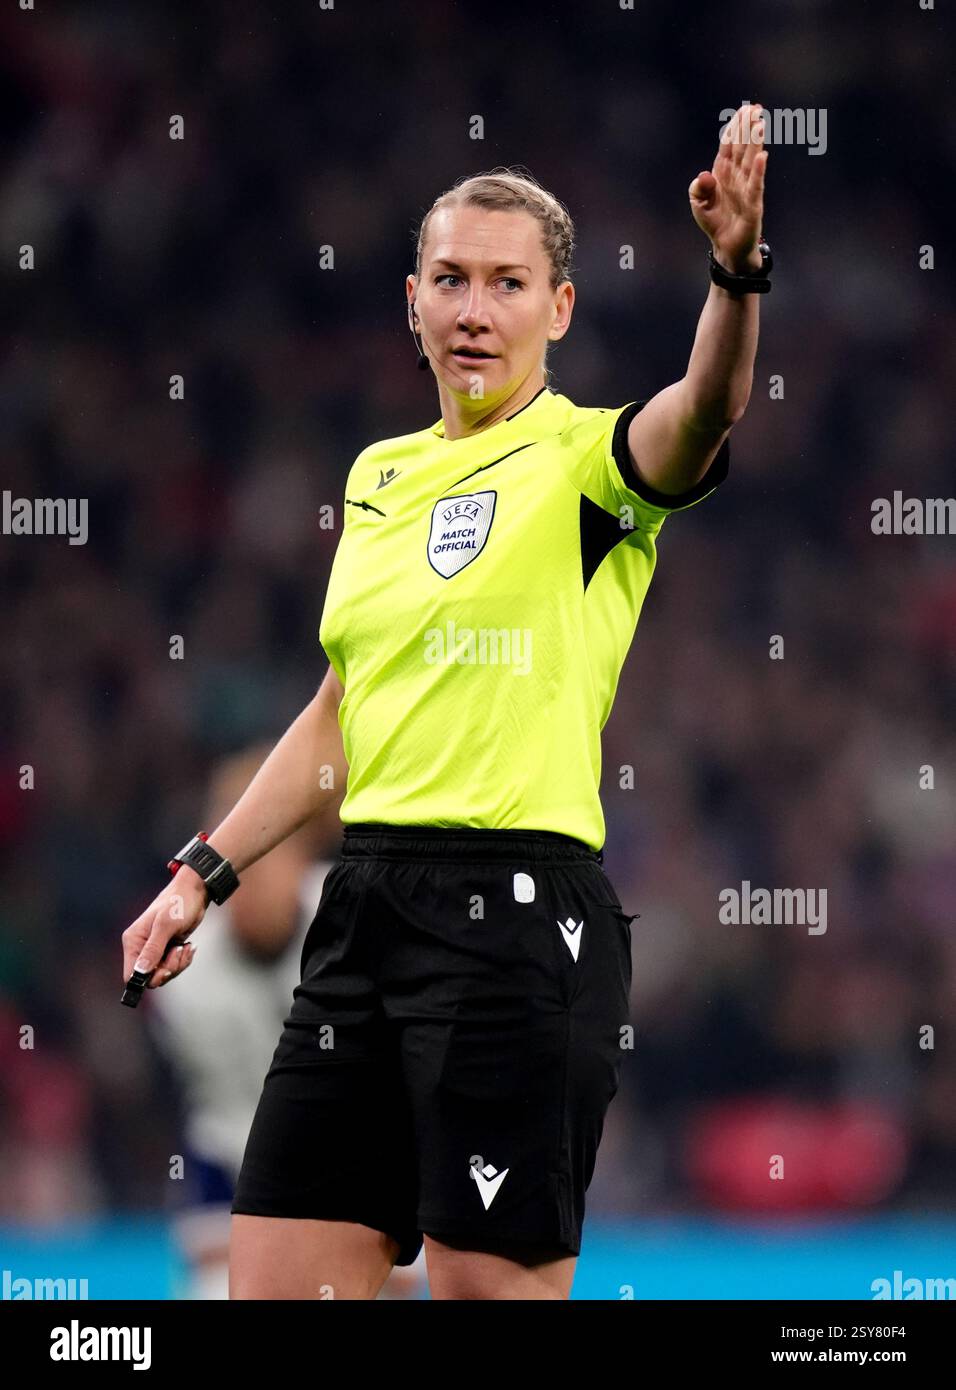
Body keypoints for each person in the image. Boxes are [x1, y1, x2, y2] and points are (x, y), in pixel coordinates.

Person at [121, 101, 770, 1300]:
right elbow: (339, 710)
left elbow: (704, 412)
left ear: (559, 309)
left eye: (508, 284)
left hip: (517, 922)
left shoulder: (588, 466)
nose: (474, 310)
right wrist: (197, 874)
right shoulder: (379, 477)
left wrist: (734, 276)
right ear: (410, 299)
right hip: (361, 913)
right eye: (450, 280)